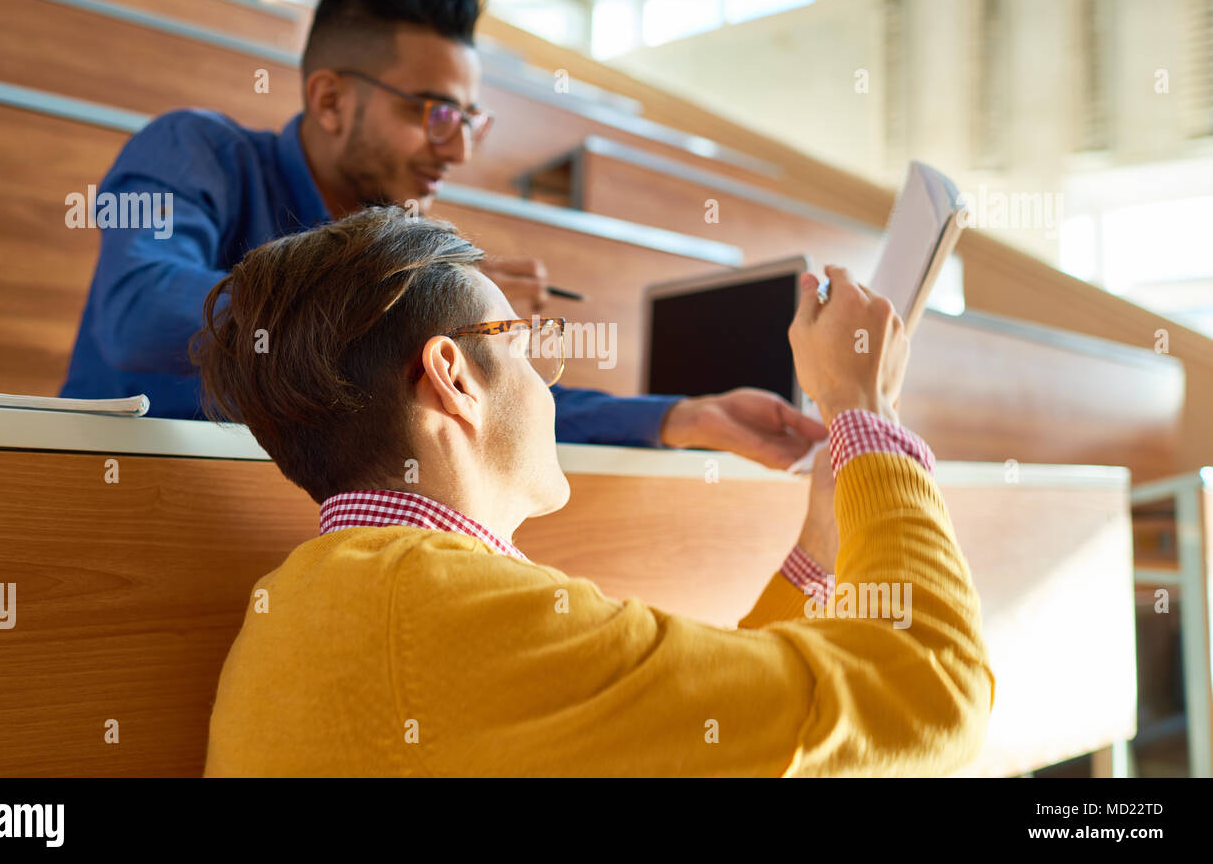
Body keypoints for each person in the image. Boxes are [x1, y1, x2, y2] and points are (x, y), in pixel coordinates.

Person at [195, 207, 995, 777]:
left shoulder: (305, 601)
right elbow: (936, 690)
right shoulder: (460, 613)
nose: (550, 385)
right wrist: (863, 411)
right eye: (526, 346)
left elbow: (687, 730)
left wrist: (819, 552)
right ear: (451, 376)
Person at [58, 0, 823, 468]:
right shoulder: (196, 150)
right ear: (328, 99)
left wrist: (678, 418)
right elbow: (134, 315)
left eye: (469, 121)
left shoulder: (396, 253)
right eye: (434, 114)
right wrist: (406, 300)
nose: (456, 151)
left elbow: (487, 399)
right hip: (111, 504)